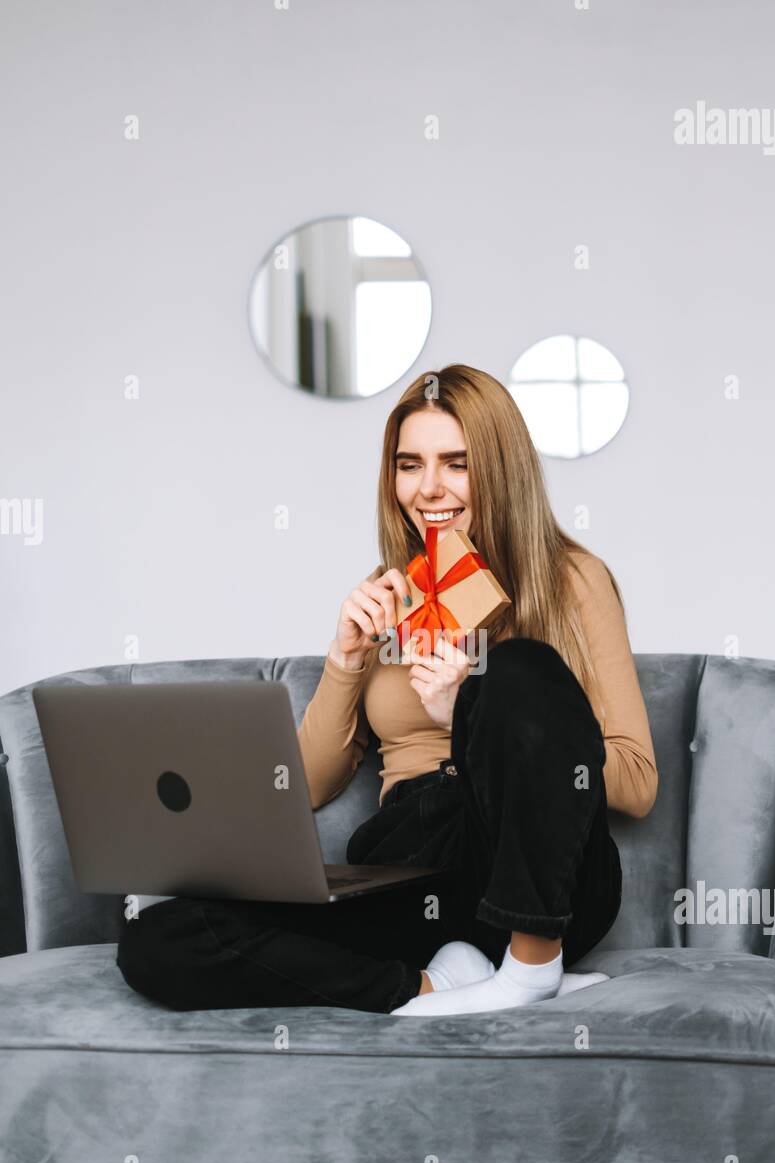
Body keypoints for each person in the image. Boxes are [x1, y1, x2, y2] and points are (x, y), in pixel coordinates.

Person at [116, 364, 658, 1018]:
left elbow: (636, 783)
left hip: (538, 870)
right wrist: (346, 658)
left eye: (457, 463)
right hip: (413, 869)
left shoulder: (574, 580)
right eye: (410, 464)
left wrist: (471, 715)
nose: (429, 487)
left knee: (516, 667)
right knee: (159, 935)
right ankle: (435, 989)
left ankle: (530, 964)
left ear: (501, 468)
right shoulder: (389, 592)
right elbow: (306, 789)